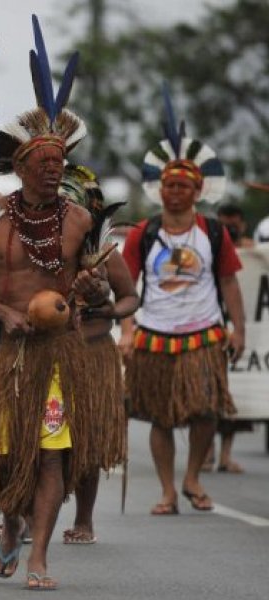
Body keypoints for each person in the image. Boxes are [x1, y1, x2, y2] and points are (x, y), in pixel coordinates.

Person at [0, 16, 109, 590]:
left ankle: (39, 556)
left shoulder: (80, 220)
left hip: (58, 360)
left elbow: (97, 284)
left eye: (59, 162)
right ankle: (12, 524)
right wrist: (4, 312)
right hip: (6, 357)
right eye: (43, 163)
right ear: (20, 167)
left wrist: (94, 292)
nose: (53, 169)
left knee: (52, 458)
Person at [119, 86, 246, 515]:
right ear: (160, 189)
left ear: (197, 190)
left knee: (207, 409)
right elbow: (126, 284)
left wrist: (239, 329)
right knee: (160, 416)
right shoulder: (143, 232)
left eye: (183, 186)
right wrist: (129, 329)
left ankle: (192, 476)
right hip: (155, 333)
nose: (175, 192)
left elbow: (229, 283)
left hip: (205, 331)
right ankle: (167, 490)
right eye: (169, 184)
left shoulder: (214, 232)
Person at [56, 166, 138, 544]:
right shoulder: (34, 246)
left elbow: (129, 297)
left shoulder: (102, 250)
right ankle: (22, 514)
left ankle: (84, 520)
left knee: (85, 441)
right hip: (47, 351)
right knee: (37, 438)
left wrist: (109, 311)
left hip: (92, 352)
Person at [201, 203, 254, 473]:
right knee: (208, 392)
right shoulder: (209, 245)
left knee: (232, 395)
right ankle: (207, 453)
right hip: (211, 326)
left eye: (234, 221)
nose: (230, 226)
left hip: (241, 328)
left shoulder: (251, 249)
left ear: (243, 224)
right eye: (225, 221)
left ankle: (225, 455)